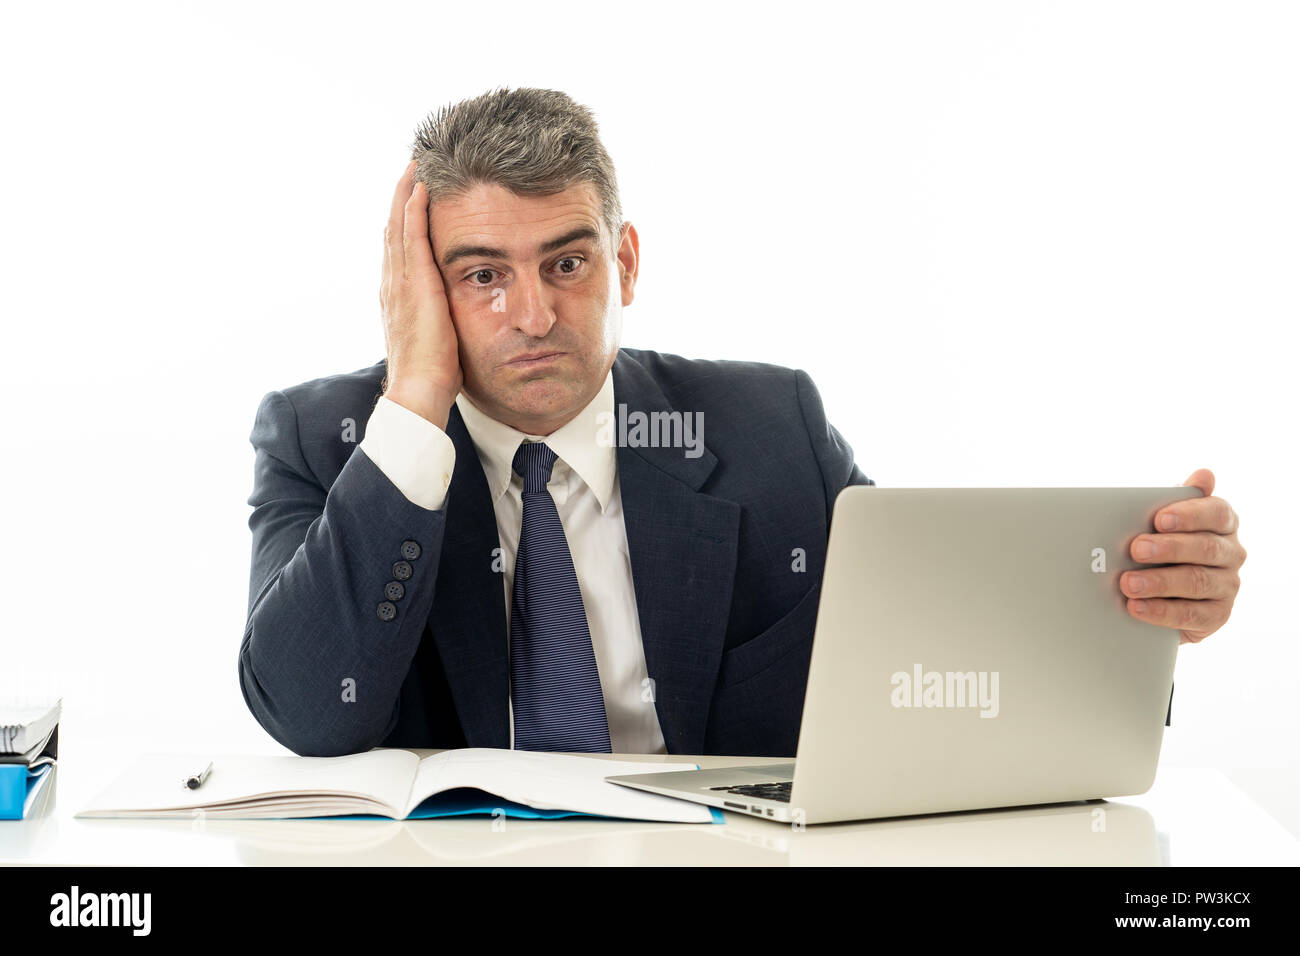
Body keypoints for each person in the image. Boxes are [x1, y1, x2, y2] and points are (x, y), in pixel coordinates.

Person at [239, 87, 1246, 758]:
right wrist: (413, 401)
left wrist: (1139, 620)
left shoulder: (770, 427)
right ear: (419, 289)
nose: (533, 314)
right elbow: (303, 713)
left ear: (624, 260)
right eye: (481, 276)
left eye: (566, 262)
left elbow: (938, 654)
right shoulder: (326, 442)